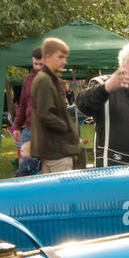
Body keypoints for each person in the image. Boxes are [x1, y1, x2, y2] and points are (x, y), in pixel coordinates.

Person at [75, 39, 129, 166]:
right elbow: (82, 105)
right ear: (124, 63)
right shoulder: (103, 83)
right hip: (111, 169)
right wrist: (107, 87)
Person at [31, 38, 83, 173]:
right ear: (47, 56)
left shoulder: (49, 79)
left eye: (65, 57)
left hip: (53, 149)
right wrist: (66, 128)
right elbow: (45, 114)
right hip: (56, 150)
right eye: (60, 57)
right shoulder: (44, 80)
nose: (64, 61)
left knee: (54, 192)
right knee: (66, 192)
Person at [12, 47, 44, 141]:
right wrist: (17, 127)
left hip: (46, 133)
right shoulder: (28, 79)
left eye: (41, 64)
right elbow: (23, 104)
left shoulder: (53, 80)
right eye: (35, 64)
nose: (38, 67)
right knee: (24, 155)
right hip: (28, 131)